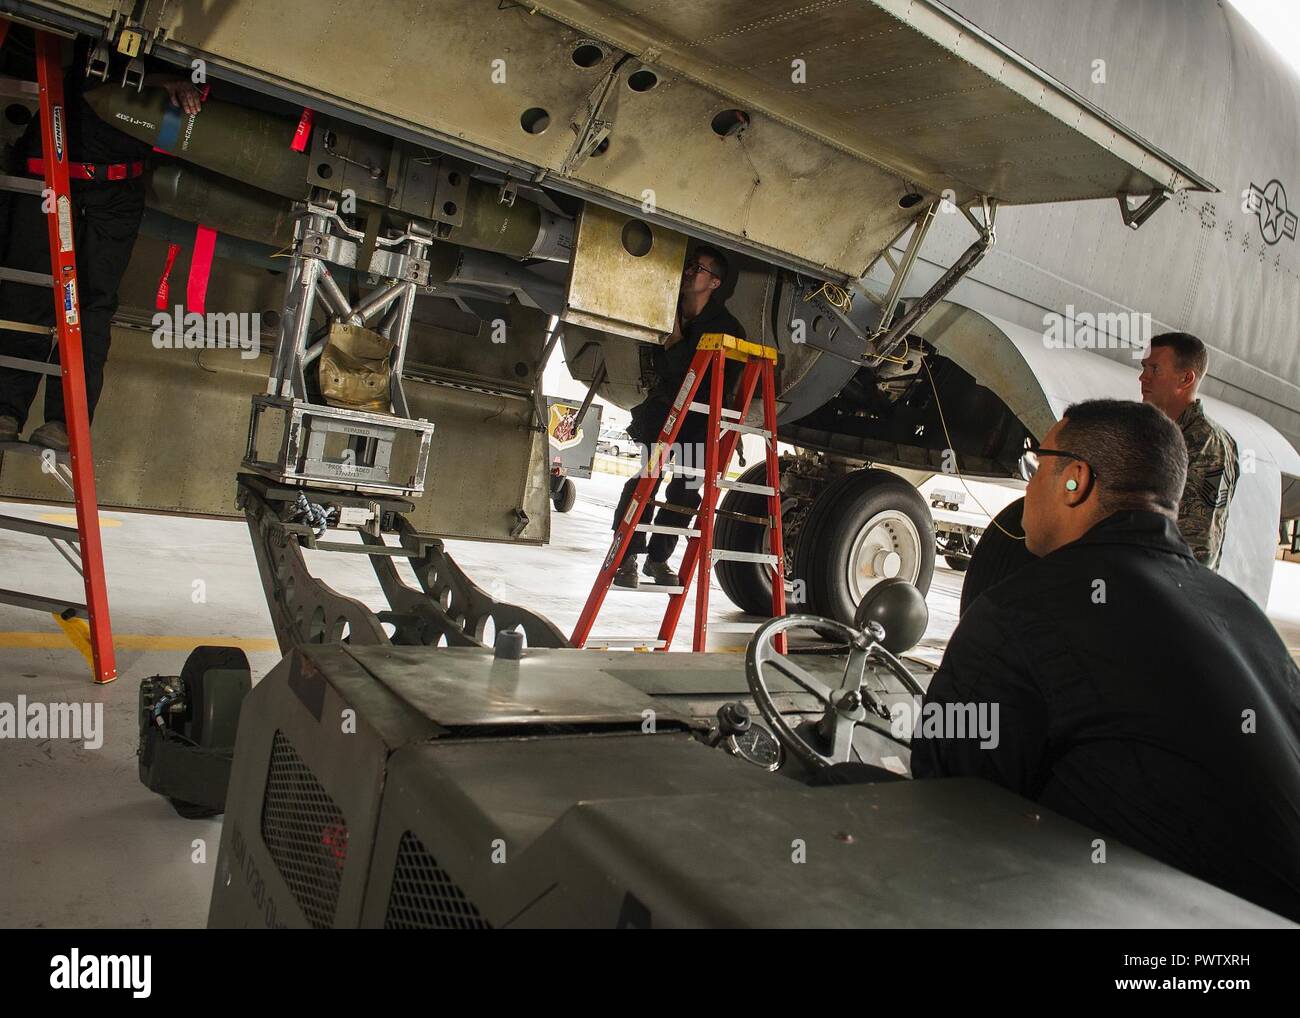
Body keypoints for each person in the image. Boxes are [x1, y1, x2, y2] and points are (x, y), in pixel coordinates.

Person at [911, 399, 1300, 922]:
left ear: (1075, 481)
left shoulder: (1023, 609)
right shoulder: (1239, 613)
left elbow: (946, 808)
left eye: (1036, 465)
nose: (1028, 485)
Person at [0, 31, 203, 451]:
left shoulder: (178, 39)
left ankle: (64, 421)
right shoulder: (84, 32)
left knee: (91, 306)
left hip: (114, 192)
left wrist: (173, 85)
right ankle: (5, 410)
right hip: (49, 180)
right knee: (27, 297)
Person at [609, 245, 745, 588]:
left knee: (686, 492)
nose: (687, 272)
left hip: (698, 421)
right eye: (687, 266)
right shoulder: (668, 313)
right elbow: (664, 367)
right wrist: (674, 341)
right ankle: (626, 554)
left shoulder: (729, 329)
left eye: (696, 268)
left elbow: (703, 381)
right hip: (664, 413)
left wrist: (675, 343)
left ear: (714, 283)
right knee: (645, 482)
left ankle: (658, 559)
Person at [1139, 331, 1239, 569]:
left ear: (1186, 379)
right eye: (1144, 368)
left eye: (1154, 369)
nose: (1142, 377)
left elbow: (1198, 545)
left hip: (1171, 589)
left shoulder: (1207, 444)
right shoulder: (1161, 433)